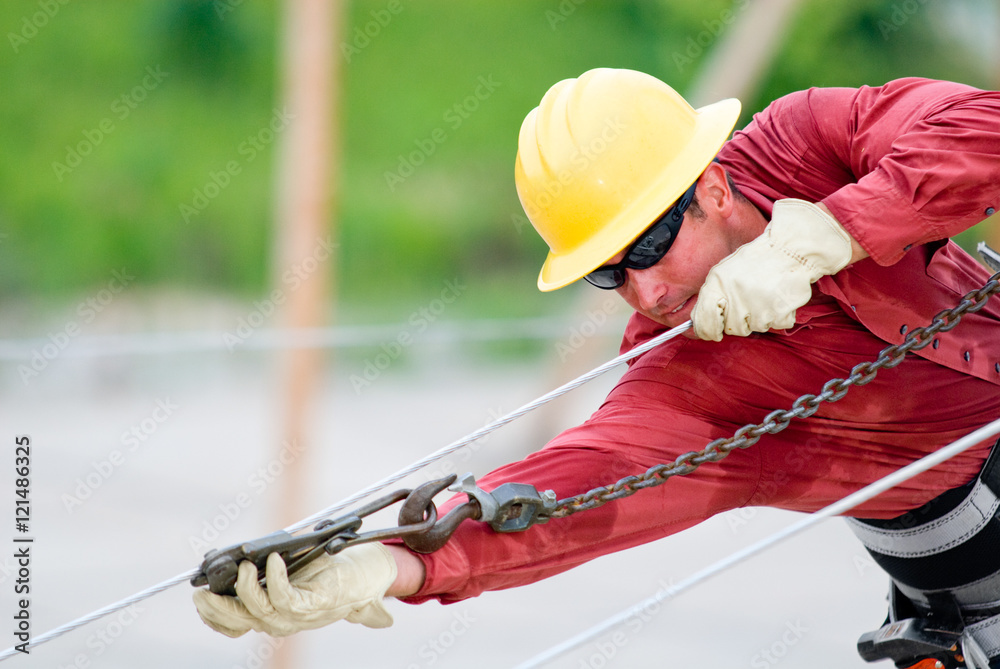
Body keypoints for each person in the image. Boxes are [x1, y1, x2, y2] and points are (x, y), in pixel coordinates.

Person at [193, 68, 1000, 666]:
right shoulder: (687, 378)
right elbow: (569, 492)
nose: (646, 291)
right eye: (608, 272)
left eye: (649, 244)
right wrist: (392, 562)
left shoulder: (807, 143)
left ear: (714, 187)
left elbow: (983, 126)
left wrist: (833, 231)